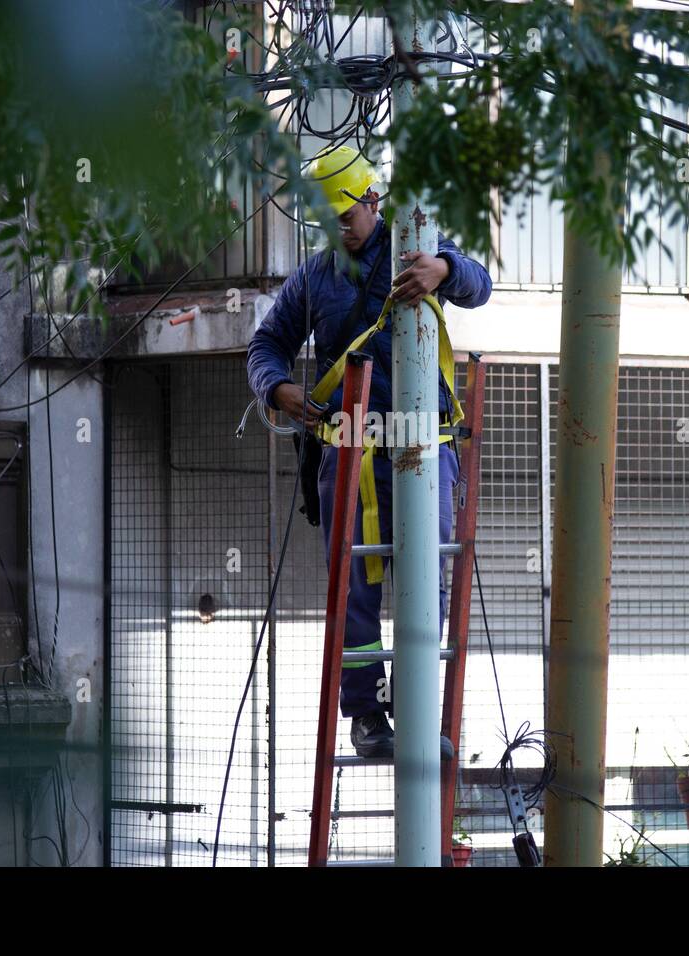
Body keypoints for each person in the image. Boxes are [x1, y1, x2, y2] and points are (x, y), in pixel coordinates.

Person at [246, 144, 492, 758]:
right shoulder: (314, 278)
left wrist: (444, 271)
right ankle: (365, 716)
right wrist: (281, 391)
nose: (337, 229)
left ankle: (414, 707)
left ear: (372, 201)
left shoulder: (415, 244)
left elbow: (479, 284)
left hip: (423, 449)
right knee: (352, 590)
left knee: (425, 578)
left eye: (345, 216)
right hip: (350, 454)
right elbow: (266, 344)